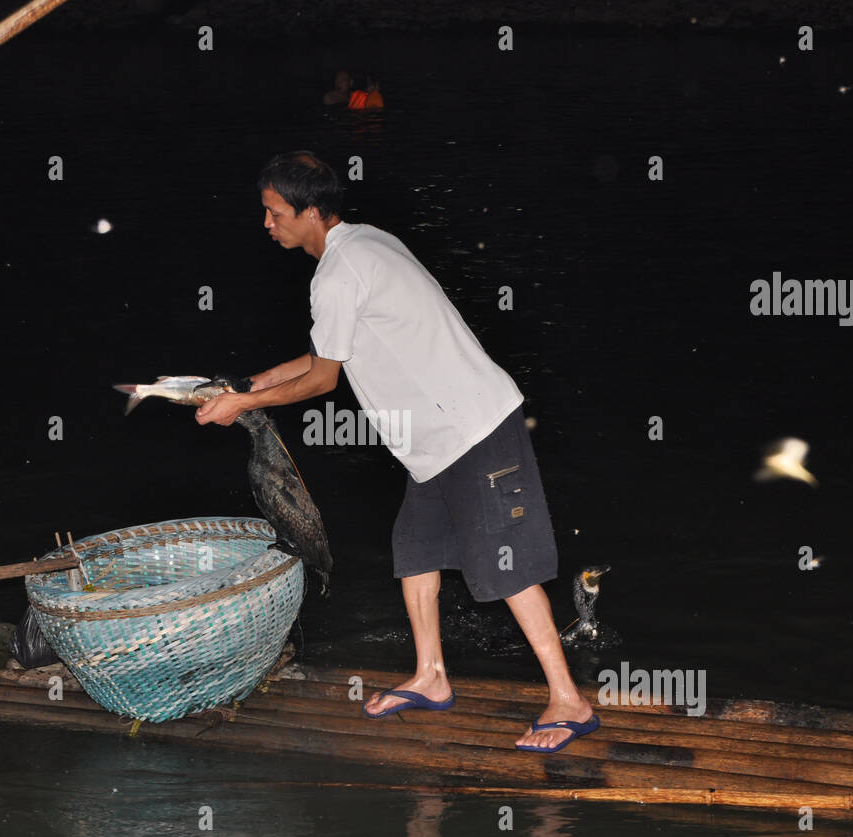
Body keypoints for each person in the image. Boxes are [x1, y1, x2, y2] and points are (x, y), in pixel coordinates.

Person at [195, 151, 598, 752]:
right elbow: (322, 352)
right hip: (433, 445)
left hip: (474, 431)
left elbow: (324, 380)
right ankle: (431, 676)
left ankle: (570, 700)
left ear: (310, 213)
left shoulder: (335, 274)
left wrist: (242, 409)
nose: (268, 224)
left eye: (275, 213)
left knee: (506, 568)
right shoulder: (362, 243)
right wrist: (247, 387)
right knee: (415, 552)